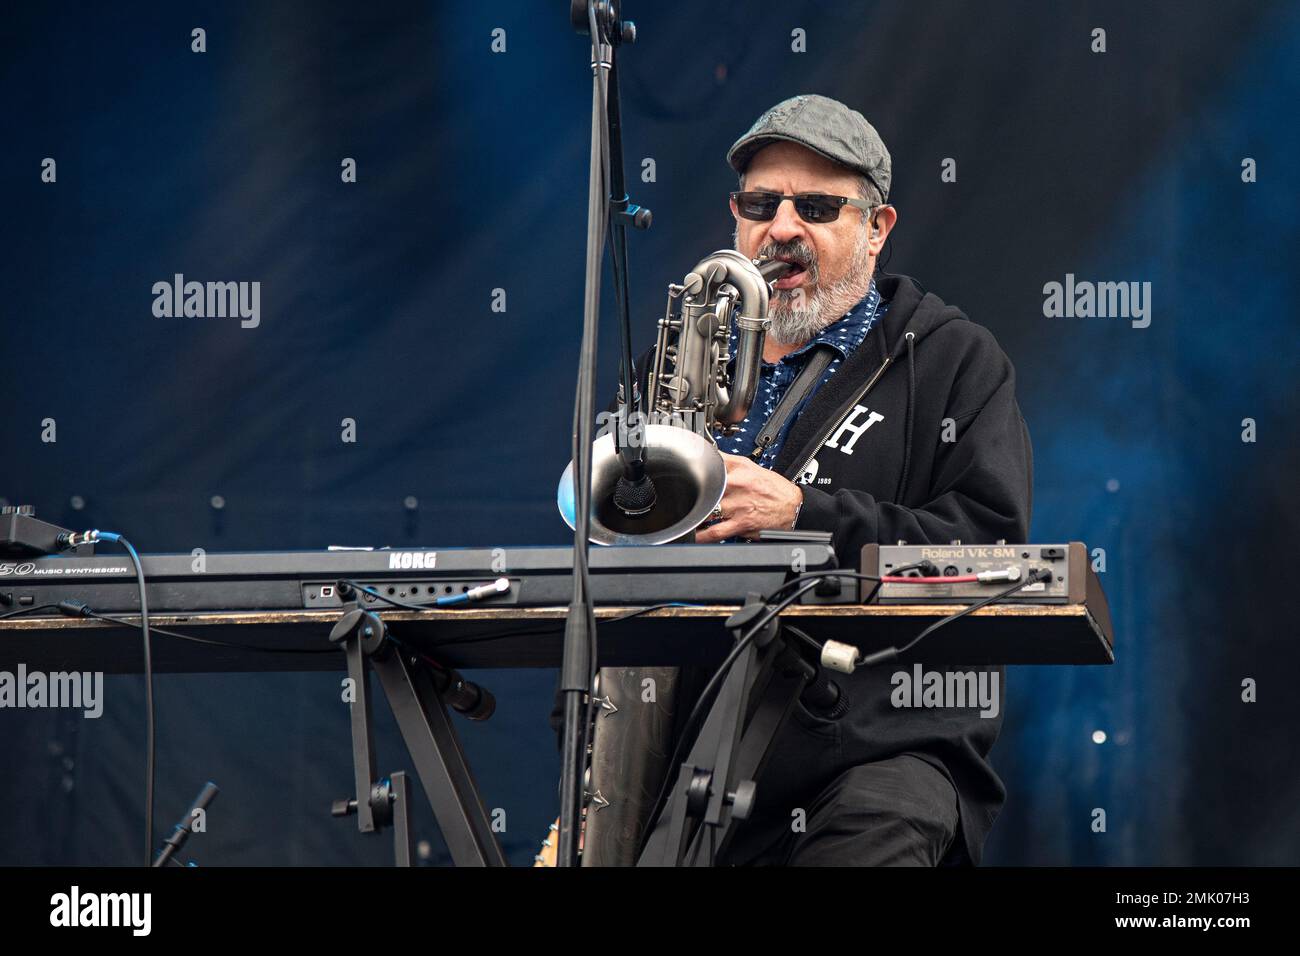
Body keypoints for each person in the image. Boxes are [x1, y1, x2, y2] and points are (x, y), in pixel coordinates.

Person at [667, 94, 1033, 865]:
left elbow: (988, 560)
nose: (783, 227)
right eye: (761, 204)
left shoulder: (955, 362)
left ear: (877, 229)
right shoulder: (674, 370)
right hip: (695, 764)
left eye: (818, 206)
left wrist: (804, 512)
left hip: (879, 752)